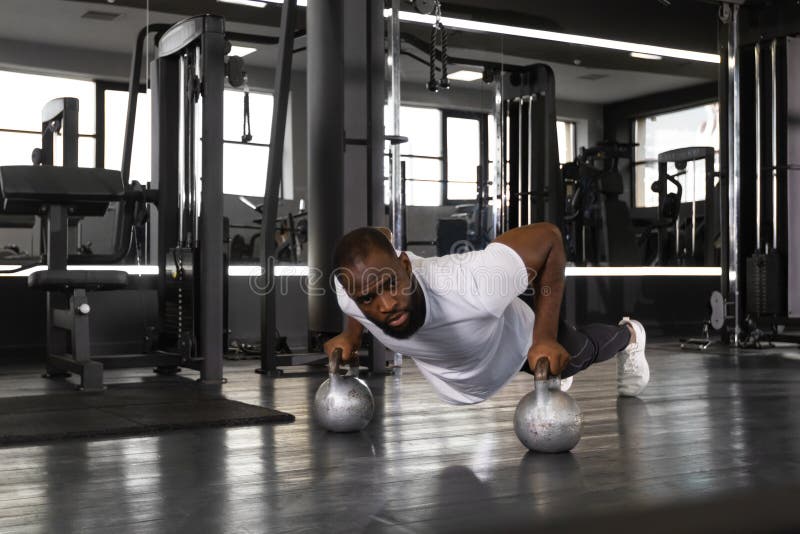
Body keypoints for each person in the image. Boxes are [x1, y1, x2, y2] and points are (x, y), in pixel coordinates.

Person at [325, 224, 649, 405]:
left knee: (576, 354)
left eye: (390, 285)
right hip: (463, 370)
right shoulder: (351, 294)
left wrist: (545, 338)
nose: (385, 305)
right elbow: (365, 289)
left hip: (515, 340)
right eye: (368, 298)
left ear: (406, 266)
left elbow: (549, 238)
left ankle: (630, 335)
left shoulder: (474, 285)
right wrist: (351, 336)